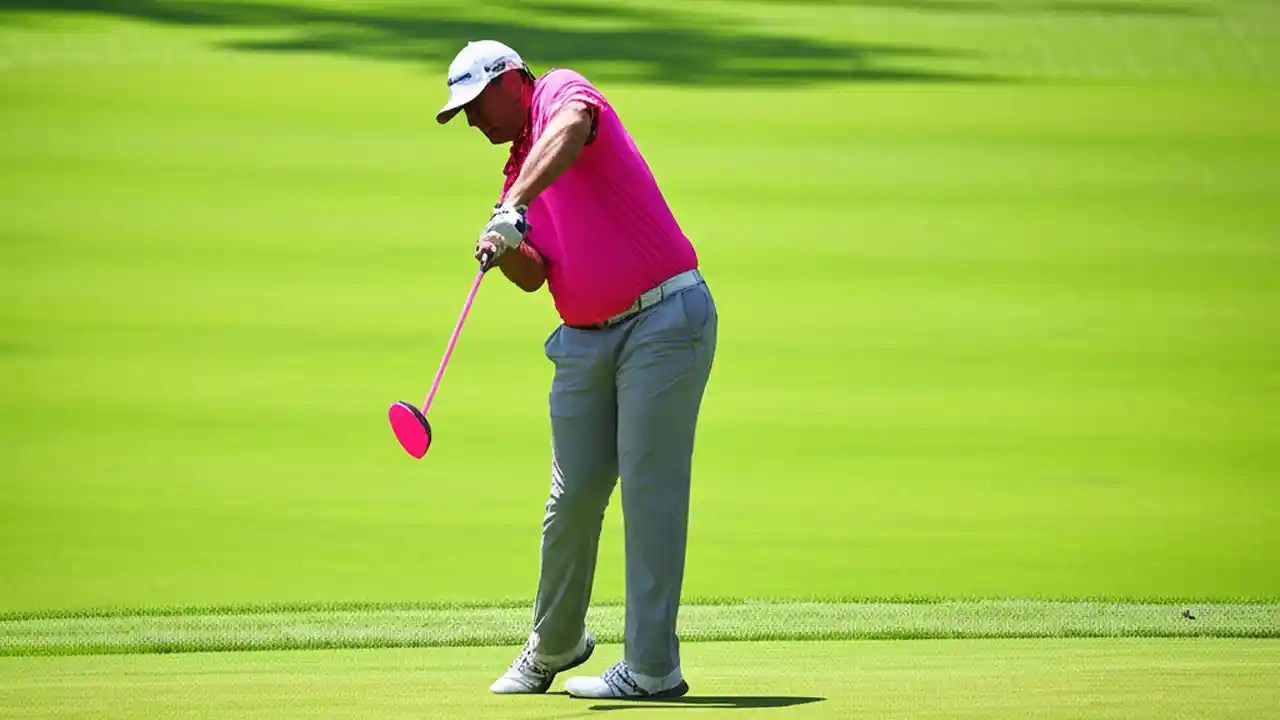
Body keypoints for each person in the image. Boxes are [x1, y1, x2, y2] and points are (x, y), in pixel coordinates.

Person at [435, 40, 717, 700]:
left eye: (476, 105)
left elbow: (573, 129)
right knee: (572, 498)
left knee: (650, 489)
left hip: (663, 319)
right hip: (584, 341)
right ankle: (556, 642)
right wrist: (502, 246)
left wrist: (516, 206)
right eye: (463, 115)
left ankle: (653, 668)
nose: (474, 122)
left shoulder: (562, 92)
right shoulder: (513, 179)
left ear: (512, 82)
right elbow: (535, 277)